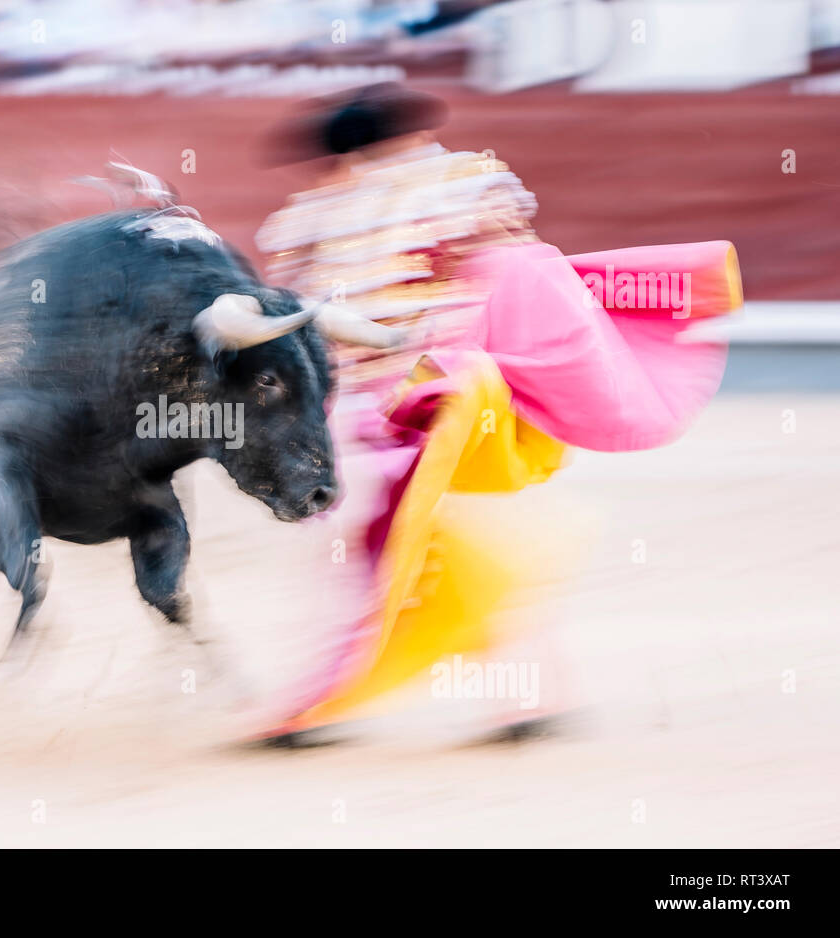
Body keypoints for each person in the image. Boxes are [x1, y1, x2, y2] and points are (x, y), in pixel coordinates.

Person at [253, 83, 742, 742]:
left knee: (400, 547)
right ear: (407, 135)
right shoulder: (462, 182)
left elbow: (298, 321)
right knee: (444, 542)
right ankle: (529, 698)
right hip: (460, 399)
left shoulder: (309, 216)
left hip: (385, 410)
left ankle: (334, 702)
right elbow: (522, 270)